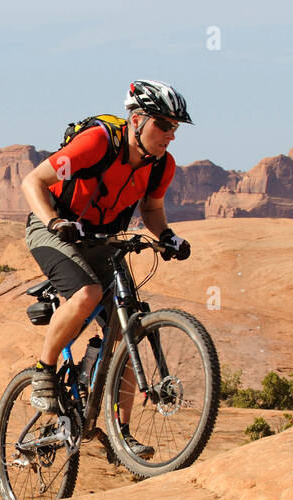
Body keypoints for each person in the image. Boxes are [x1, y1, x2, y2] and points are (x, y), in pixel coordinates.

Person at [19, 80, 194, 434]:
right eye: (163, 124)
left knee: (130, 327)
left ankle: (122, 437)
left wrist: (167, 237)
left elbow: (152, 209)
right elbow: (33, 182)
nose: (170, 135)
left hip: (101, 238)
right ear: (137, 120)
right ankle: (44, 371)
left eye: (174, 127)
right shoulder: (98, 144)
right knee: (87, 294)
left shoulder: (160, 165)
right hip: (52, 228)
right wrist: (55, 221)